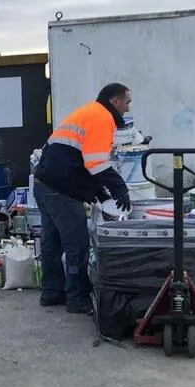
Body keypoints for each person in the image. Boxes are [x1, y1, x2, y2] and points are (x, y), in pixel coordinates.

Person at [32, 82, 132, 315]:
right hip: (60, 190)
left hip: (45, 182)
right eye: (127, 102)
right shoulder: (101, 118)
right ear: (114, 101)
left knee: (52, 244)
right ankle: (77, 299)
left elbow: (80, 162)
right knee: (76, 244)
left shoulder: (88, 113)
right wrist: (120, 189)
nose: (127, 108)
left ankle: (51, 293)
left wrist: (101, 194)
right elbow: (96, 163)